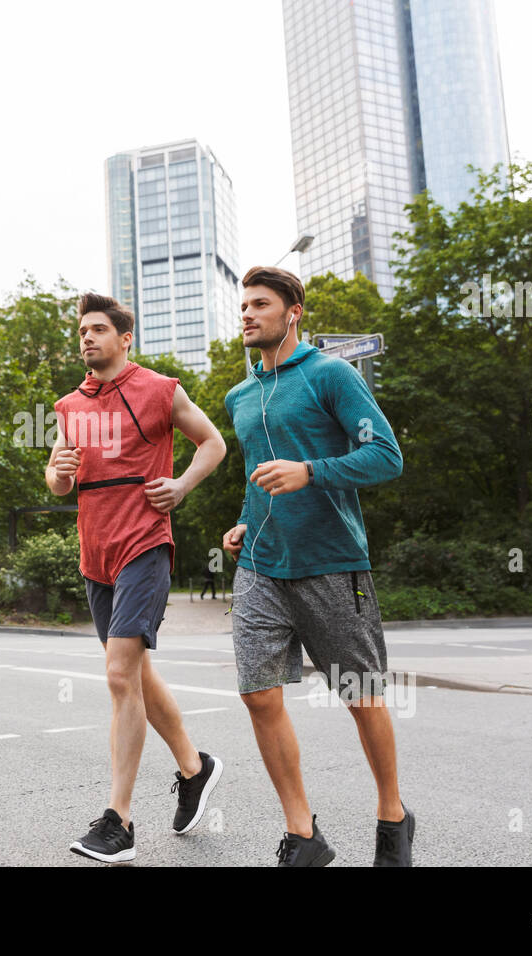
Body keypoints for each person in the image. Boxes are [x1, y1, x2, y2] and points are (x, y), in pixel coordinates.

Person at [221, 266, 413, 867]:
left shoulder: (331, 375)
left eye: (260, 304)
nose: (247, 314)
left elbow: (386, 455)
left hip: (331, 563)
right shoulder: (240, 395)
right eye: (243, 305)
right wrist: (248, 520)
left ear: (293, 312)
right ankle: (303, 834)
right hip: (259, 566)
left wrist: (313, 472)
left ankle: (392, 817)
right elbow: (263, 470)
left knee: (361, 695)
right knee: (258, 693)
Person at [47, 292, 227, 864]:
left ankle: (119, 822)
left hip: (145, 545)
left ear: (126, 339)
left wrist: (181, 486)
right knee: (137, 677)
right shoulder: (70, 405)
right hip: (94, 553)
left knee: (120, 675)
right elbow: (58, 482)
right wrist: (57, 472)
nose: (87, 338)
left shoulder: (160, 390)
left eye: (99, 329)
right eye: (82, 330)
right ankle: (195, 769)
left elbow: (214, 443)